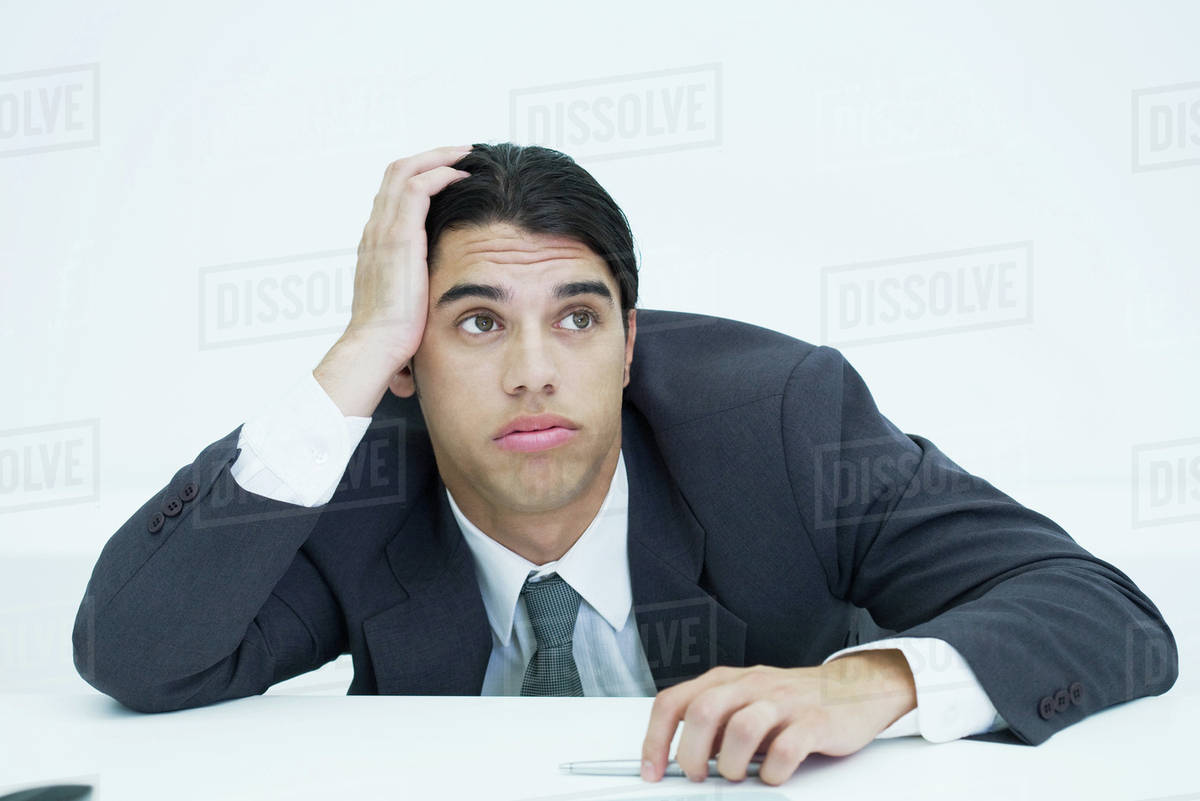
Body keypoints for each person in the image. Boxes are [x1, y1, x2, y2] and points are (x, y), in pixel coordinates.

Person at [72, 143, 1178, 787]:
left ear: (630, 341)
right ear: (409, 357)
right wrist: (361, 347)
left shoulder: (778, 425)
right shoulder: (356, 477)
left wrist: (866, 685)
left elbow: (1105, 613)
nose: (534, 373)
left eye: (578, 318)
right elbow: (138, 656)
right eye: (474, 325)